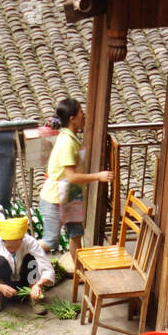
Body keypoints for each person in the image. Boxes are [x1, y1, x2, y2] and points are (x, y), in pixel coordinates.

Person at [38, 98, 111, 263]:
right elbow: (71, 176)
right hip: (55, 198)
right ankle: (18, 255)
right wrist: (98, 176)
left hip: (70, 195)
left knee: (76, 234)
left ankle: (81, 272)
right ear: (72, 118)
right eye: (81, 112)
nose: (83, 115)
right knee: (50, 240)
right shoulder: (66, 142)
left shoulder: (71, 138)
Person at [0, 216, 55, 315]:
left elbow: (48, 269)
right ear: (3, 241)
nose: (13, 250)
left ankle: (33, 298)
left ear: (22, 239)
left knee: (30, 258)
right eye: (9, 247)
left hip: (25, 282)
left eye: (16, 247)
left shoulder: (30, 242)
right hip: (4, 283)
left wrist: (38, 285)